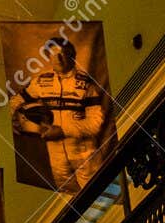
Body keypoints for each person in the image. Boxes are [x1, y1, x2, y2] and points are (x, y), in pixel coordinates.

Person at [9, 37, 109, 194]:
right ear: (48, 57)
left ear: (71, 56)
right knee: (68, 200)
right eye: (54, 54)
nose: (58, 59)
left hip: (84, 154)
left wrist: (63, 130)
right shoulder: (41, 82)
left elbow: (96, 123)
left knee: (98, 196)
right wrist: (14, 118)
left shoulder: (86, 84)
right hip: (56, 157)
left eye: (63, 54)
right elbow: (15, 101)